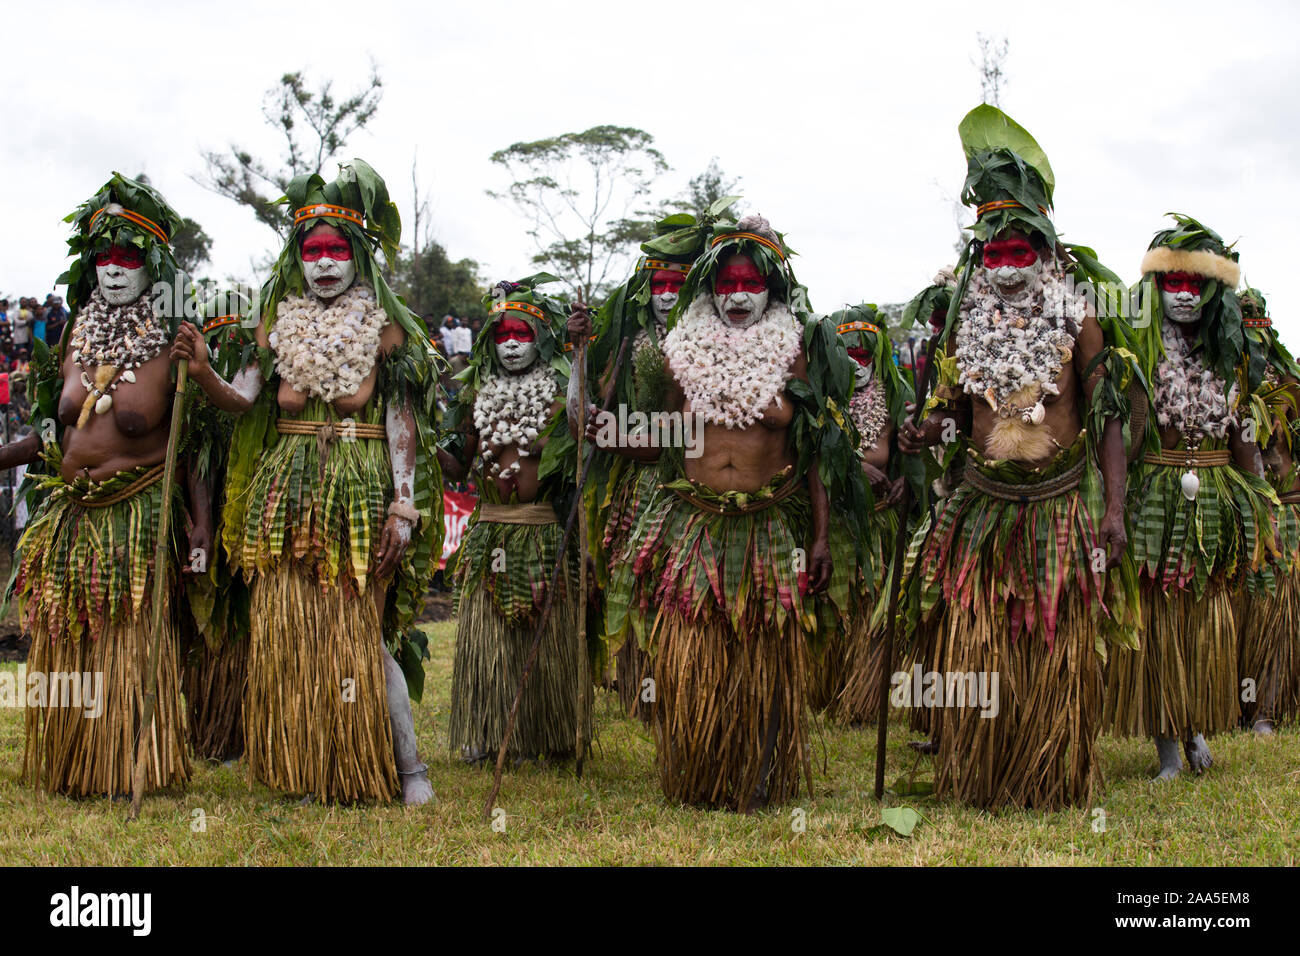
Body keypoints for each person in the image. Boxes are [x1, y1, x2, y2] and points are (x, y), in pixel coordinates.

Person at [172, 159, 443, 804]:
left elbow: (401, 416)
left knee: (359, 634)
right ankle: (304, 765)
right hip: (284, 493)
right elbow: (242, 399)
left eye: (336, 249)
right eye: (312, 250)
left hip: (357, 483)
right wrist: (206, 370)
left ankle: (407, 767)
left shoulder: (387, 328)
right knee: (292, 634)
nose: (323, 261)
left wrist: (402, 506)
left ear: (357, 258)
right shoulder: (275, 322)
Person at [897, 105, 1136, 810]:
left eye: (1018, 254)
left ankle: (1051, 771)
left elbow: (1110, 417)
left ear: (1046, 255)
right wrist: (926, 429)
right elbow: (948, 411)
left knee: (1053, 638)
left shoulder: (1081, 320)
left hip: (1059, 507)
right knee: (979, 636)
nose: (1004, 269)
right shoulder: (962, 322)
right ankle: (983, 770)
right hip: (980, 505)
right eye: (992, 256)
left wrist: (1115, 508)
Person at [605, 214, 862, 812]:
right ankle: (702, 769)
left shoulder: (796, 351)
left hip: (769, 520)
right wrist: (606, 430)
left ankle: (761, 775)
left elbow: (816, 448)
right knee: (693, 652)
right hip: (697, 519)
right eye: (727, 284)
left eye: (752, 283)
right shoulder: (679, 354)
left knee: (765, 650)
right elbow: (665, 439)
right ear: (710, 288)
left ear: (772, 289)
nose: (739, 295)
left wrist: (820, 536)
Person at [0, 173, 192, 796]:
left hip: (132, 515)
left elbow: (198, 448)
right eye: (102, 256)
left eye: (127, 257)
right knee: (68, 634)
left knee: (126, 639)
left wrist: (203, 526)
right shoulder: (75, 335)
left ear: (151, 267)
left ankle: (129, 762)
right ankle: (76, 761)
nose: (112, 269)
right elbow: (49, 434)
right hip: (71, 513)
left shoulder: (174, 341)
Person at [1104, 215, 1276, 778]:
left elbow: (1244, 436)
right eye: (1171, 284)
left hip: (1217, 499)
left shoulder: (1232, 359)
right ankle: (1168, 751)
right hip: (1158, 492)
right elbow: (1125, 434)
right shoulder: (1139, 355)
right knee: (1158, 621)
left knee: (1206, 618)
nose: (1182, 296)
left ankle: (1198, 727)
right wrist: (1113, 504)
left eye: (1193, 285)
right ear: (1154, 290)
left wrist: (1258, 502)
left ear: (1214, 292)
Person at [566, 203, 734, 721]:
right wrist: (578, 353)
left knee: (681, 590)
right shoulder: (629, 341)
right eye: (657, 285)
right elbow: (582, 418)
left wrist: (620, 439)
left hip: (691, 488)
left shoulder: (716, 341)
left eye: (676, 285)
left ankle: (687, 681)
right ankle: (643, 690)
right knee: (635, 582)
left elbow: (689, 434)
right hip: (635, 490)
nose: (665, 296)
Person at [439, 276, 586, 764]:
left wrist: (580, 353)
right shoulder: (475, 394)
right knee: (492, 638)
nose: (512, 344)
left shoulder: (558, 394)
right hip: (491, 528)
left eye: (522, 334)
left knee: (541, 639)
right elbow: (458, 463)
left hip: (542, 529)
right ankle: (488, 731)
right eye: (502, 335)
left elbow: (584, 428)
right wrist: (420, 433)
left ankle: (546, 733)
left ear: (541, 340)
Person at [808, 304, 913, 722]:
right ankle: (829, 690)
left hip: (880, 519)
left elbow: (912, 454)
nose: (858, 362)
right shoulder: (821, 397)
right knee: (834, 603)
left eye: (866, 355)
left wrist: (904, 480)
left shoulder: (897, 392)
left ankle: (866, 695)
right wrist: (853, 467)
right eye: (849, 354)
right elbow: (810, 456)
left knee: (873, 604)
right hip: (833, 519)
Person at [1235, 287, 1300, 734]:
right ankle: (1238, 706)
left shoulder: (1284, 385)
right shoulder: (1230, 381)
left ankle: (1265, 711)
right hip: (1240, 508)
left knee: (1275, 616)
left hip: (1283, 512)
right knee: (1244, 614)